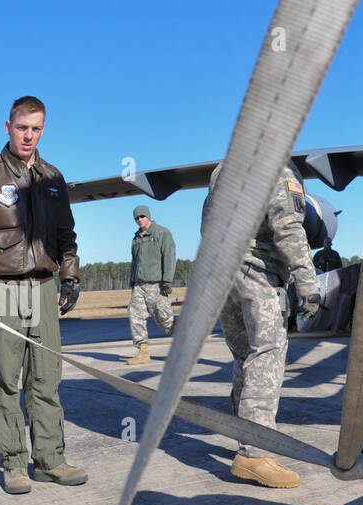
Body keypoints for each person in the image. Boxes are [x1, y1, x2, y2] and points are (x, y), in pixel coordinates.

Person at [0, 95, 87, 495]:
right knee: (5, 382)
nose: (29, 135)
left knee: (46, 380)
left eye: (36, 128)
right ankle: (13, 463)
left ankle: (50, 460)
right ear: (8, 127)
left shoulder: (52, 179)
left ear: (43, 129)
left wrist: (71, 275)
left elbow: (66, 235)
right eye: (22, 127)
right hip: (2, 290)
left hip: (43, 288)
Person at [200, 163, 321, 488]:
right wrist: (308, 283)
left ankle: (244, 436)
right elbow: (288, 227)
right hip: (256, 273)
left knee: (245, 358)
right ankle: (254, 453)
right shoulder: (278, 169)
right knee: (266, 356)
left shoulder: (224, 168)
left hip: (219, 272)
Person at [125, 205, 176, 365]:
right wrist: (132, 282)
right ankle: (143, 352)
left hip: (157, 285)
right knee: (135, 315)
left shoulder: (162, 233)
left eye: (142, 216)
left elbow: (169, 257)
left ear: (148, 216)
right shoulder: (136, 238)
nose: (139, 220)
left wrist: (167, 280)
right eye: (136, 218)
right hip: (139, 285)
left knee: (165, 319)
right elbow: (135, 262)